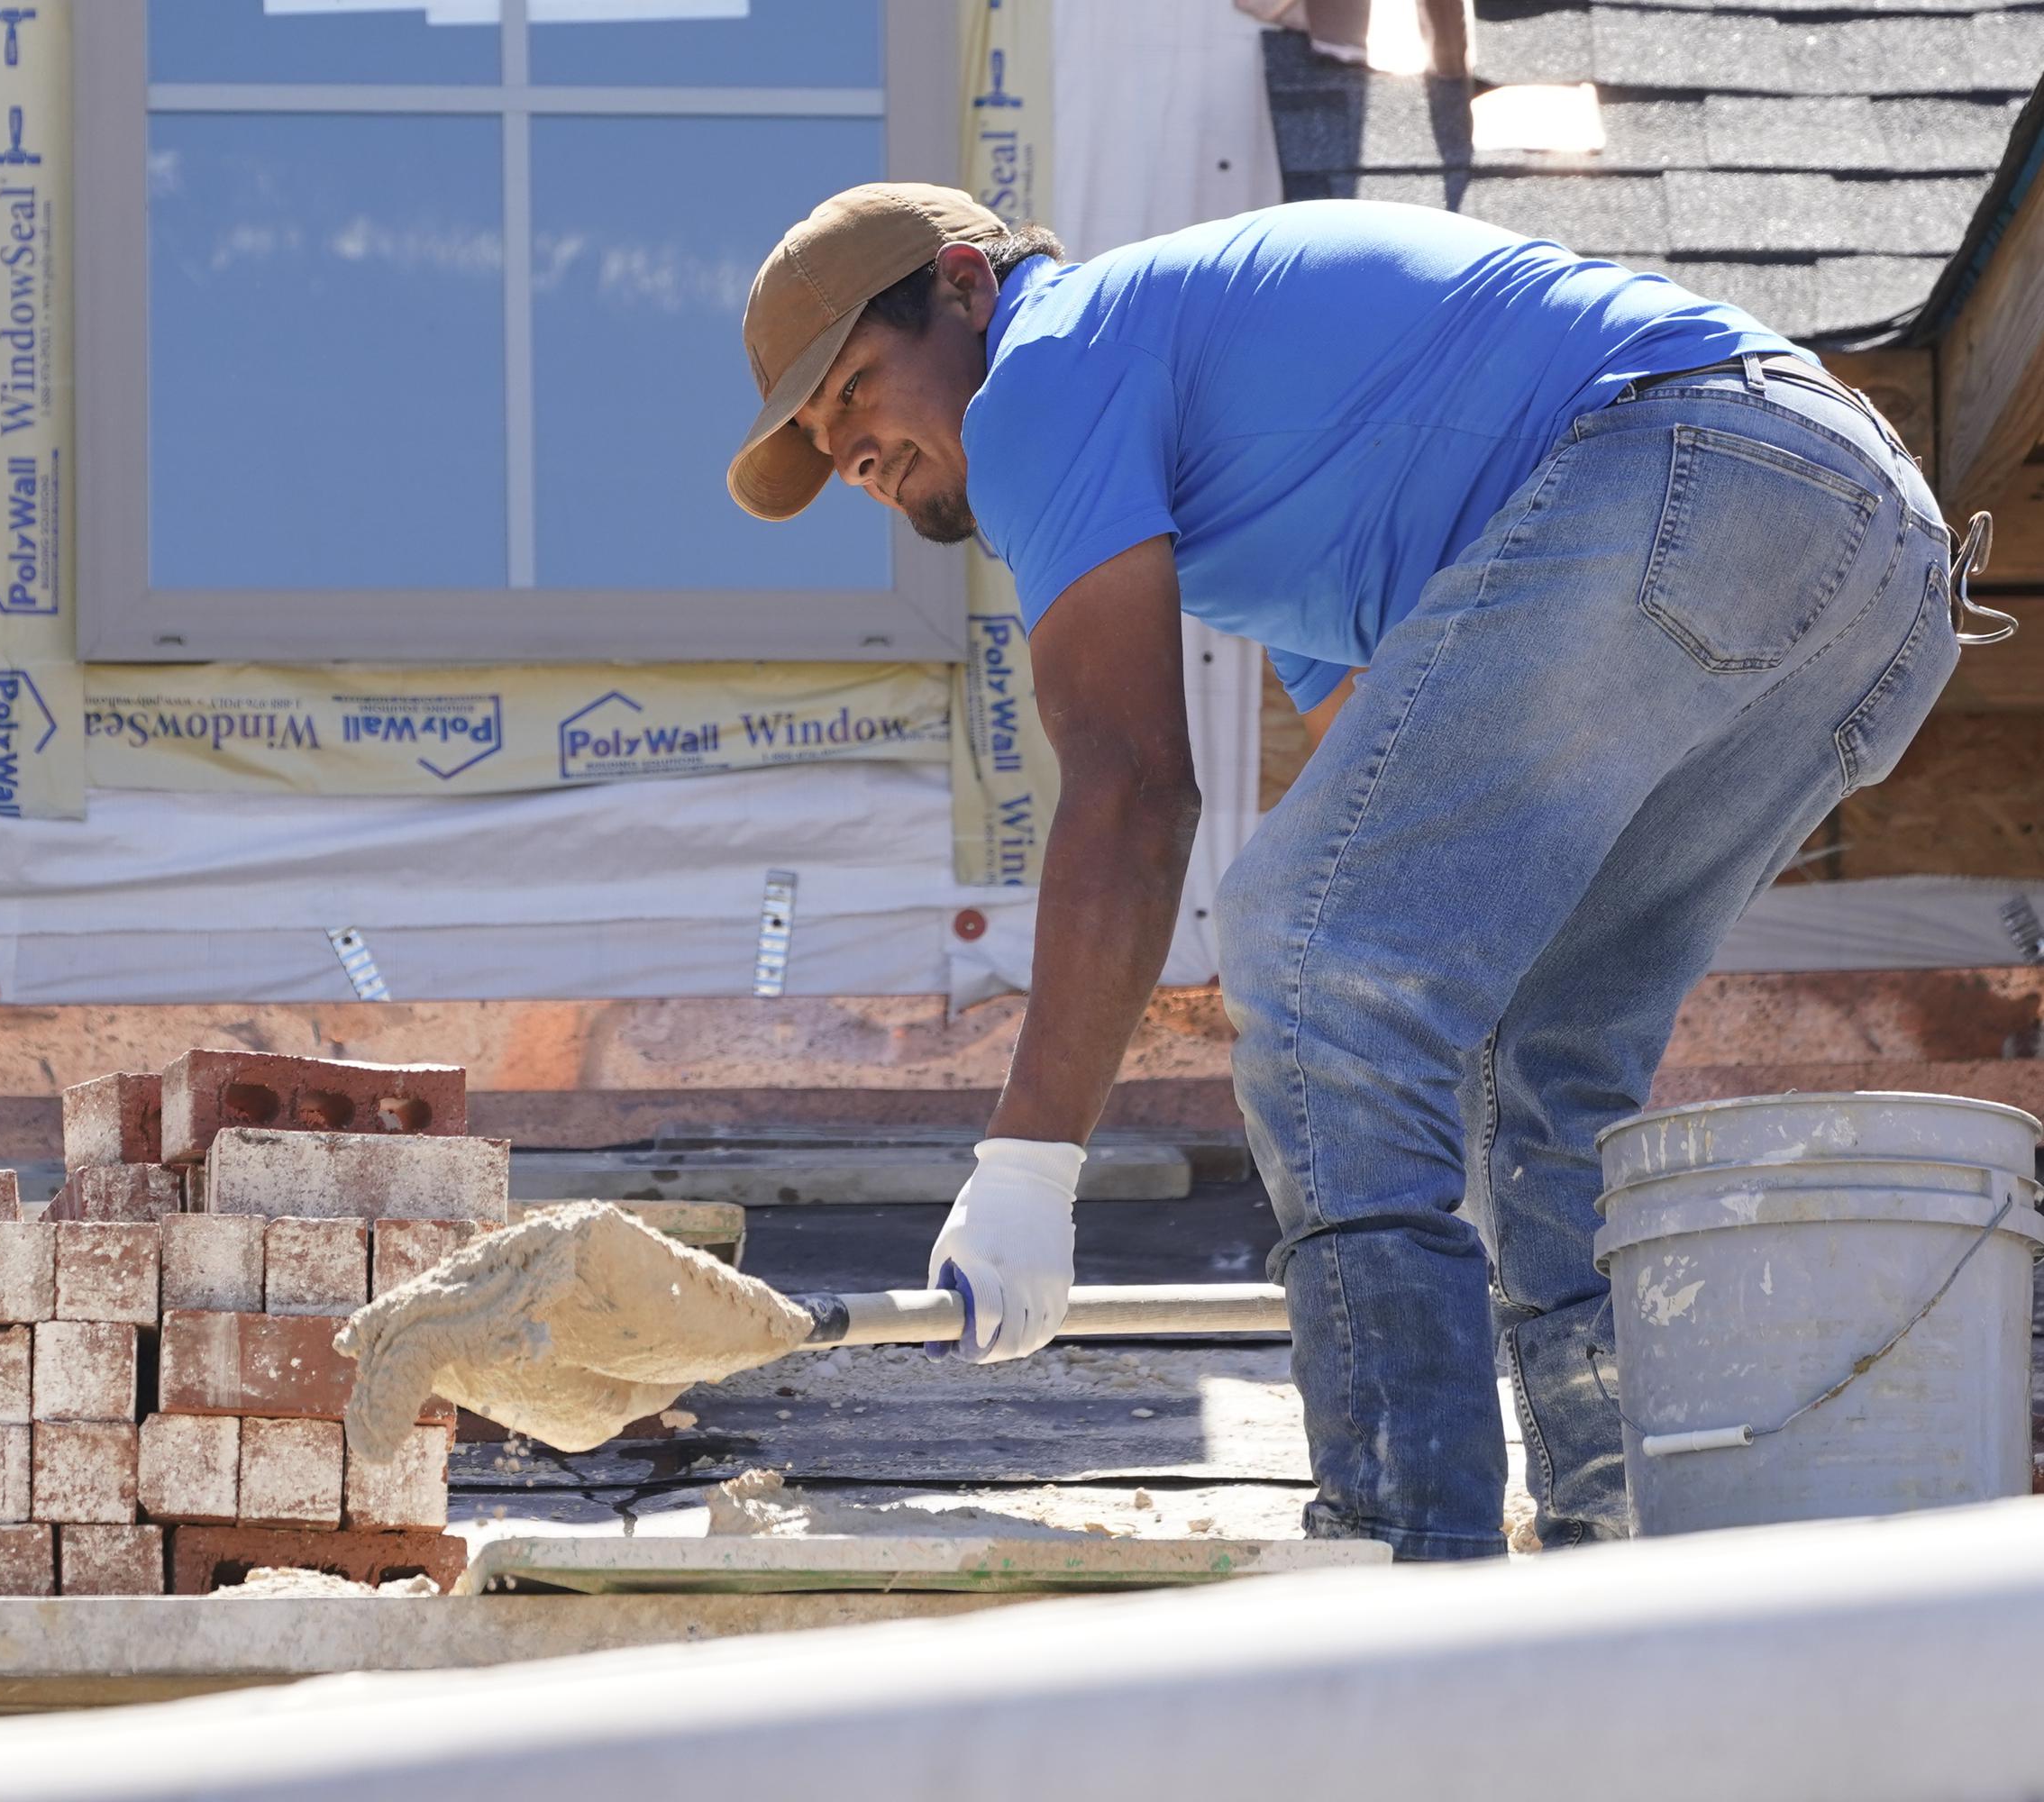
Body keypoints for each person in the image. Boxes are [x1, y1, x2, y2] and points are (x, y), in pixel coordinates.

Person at [726, 182, 1960, 1558]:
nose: (853, 455)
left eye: (855, 391)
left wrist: (1028, 1164)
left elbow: (1138, 795)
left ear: (963, 287)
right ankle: (1625, 1545)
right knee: (1530, 1056)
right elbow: (1405, 831)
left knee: (1312, 954)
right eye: (821, 442)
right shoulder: (1271, 509)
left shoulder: (1044, 367)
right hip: (1876, 568)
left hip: (1695, 468)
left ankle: (1401, 1547)